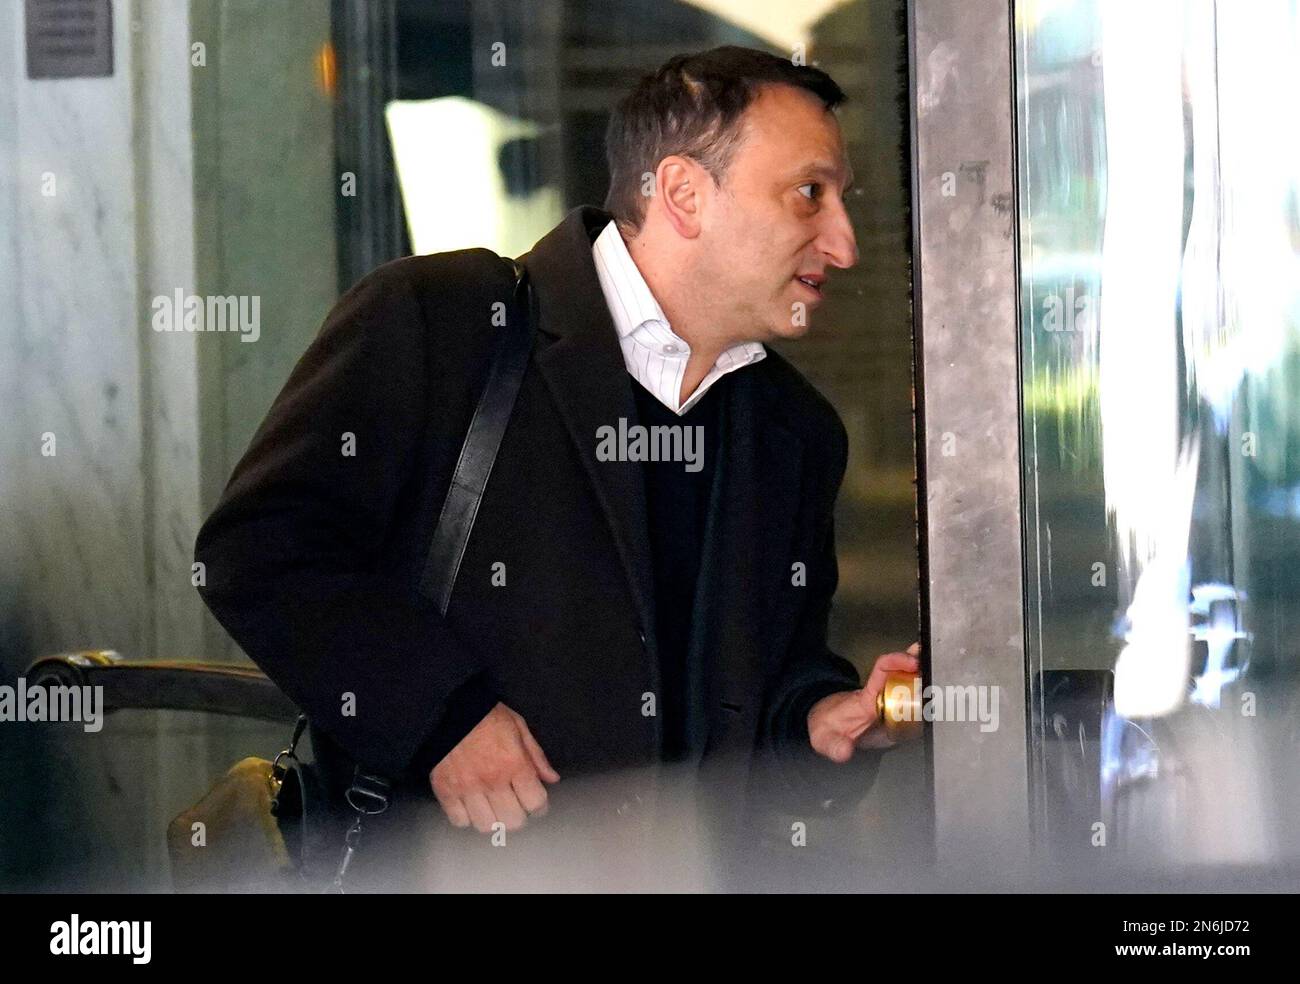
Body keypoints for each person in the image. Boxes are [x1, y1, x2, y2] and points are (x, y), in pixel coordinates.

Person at [194, 45, 919, 889]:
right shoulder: (443, 324)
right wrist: (444, 719)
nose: (845, 243)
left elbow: (768, 680)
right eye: (810, 194)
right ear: (684, 193)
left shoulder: (797, 432)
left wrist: (821, 722)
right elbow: (259, 550)